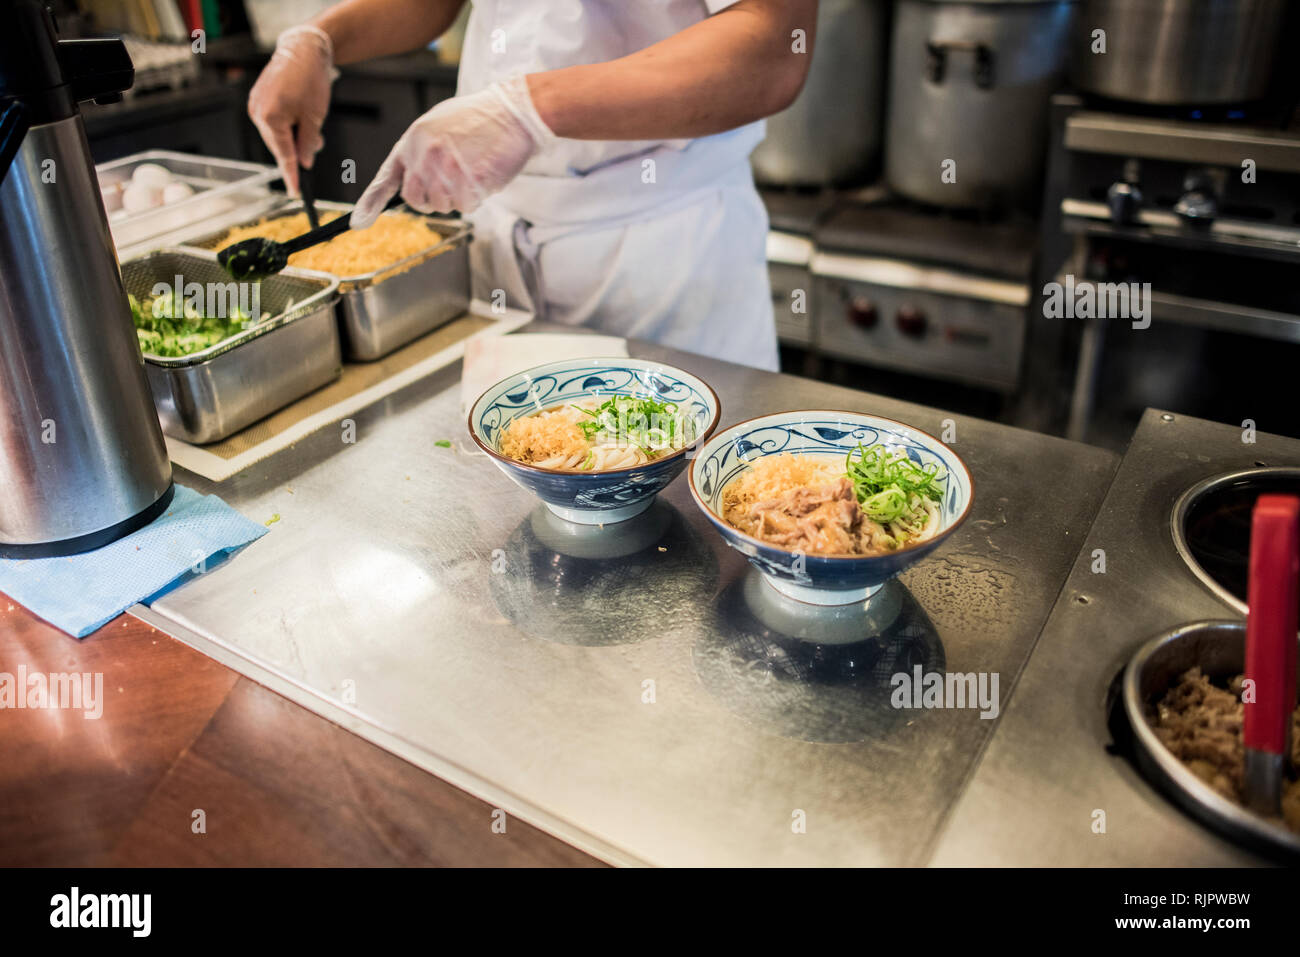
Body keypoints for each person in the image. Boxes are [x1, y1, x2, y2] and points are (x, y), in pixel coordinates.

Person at [248, 0, 817, 371]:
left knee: (685, 523)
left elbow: (774, 47)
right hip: (497, 246)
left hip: (661, 257)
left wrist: (530, 108)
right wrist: (321, 39)